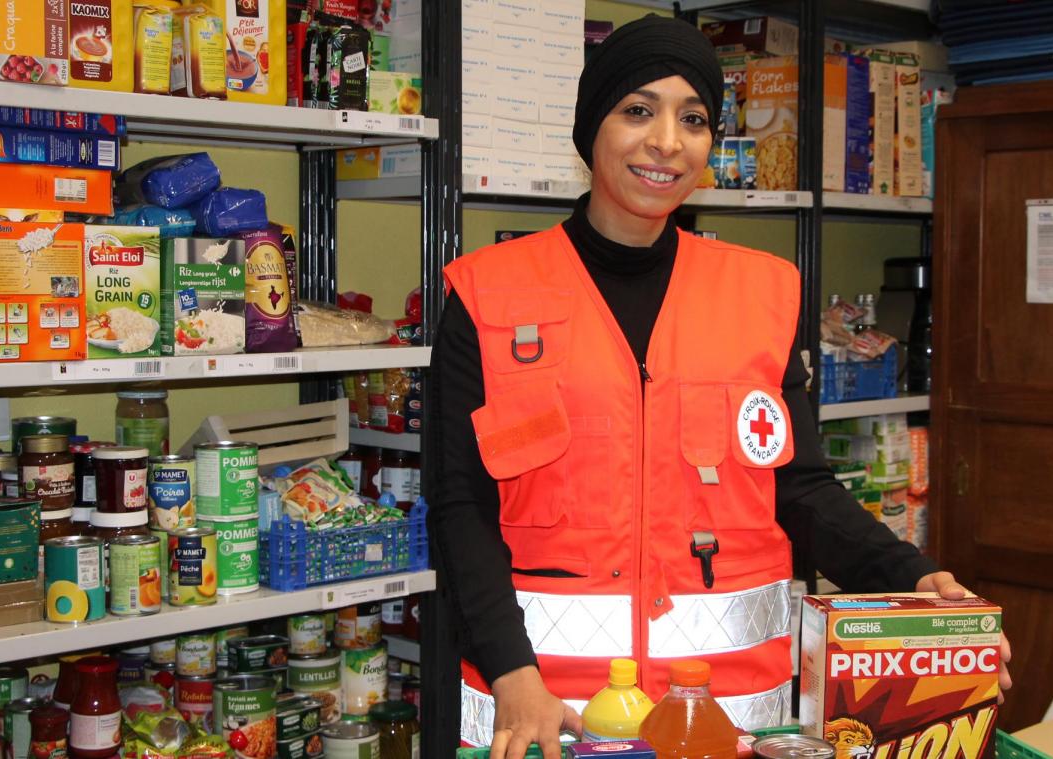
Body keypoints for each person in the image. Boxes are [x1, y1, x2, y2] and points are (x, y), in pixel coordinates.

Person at [429, 16, 1011, 759]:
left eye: (694, 118)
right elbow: (459, 505)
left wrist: (915, 575)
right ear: (591, 127)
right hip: (550, 713)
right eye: (638, 110)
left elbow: (800, 490)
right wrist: (513, 671)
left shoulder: (762, 293)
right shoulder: (489, 294)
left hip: (729, 716)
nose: (667, 141)